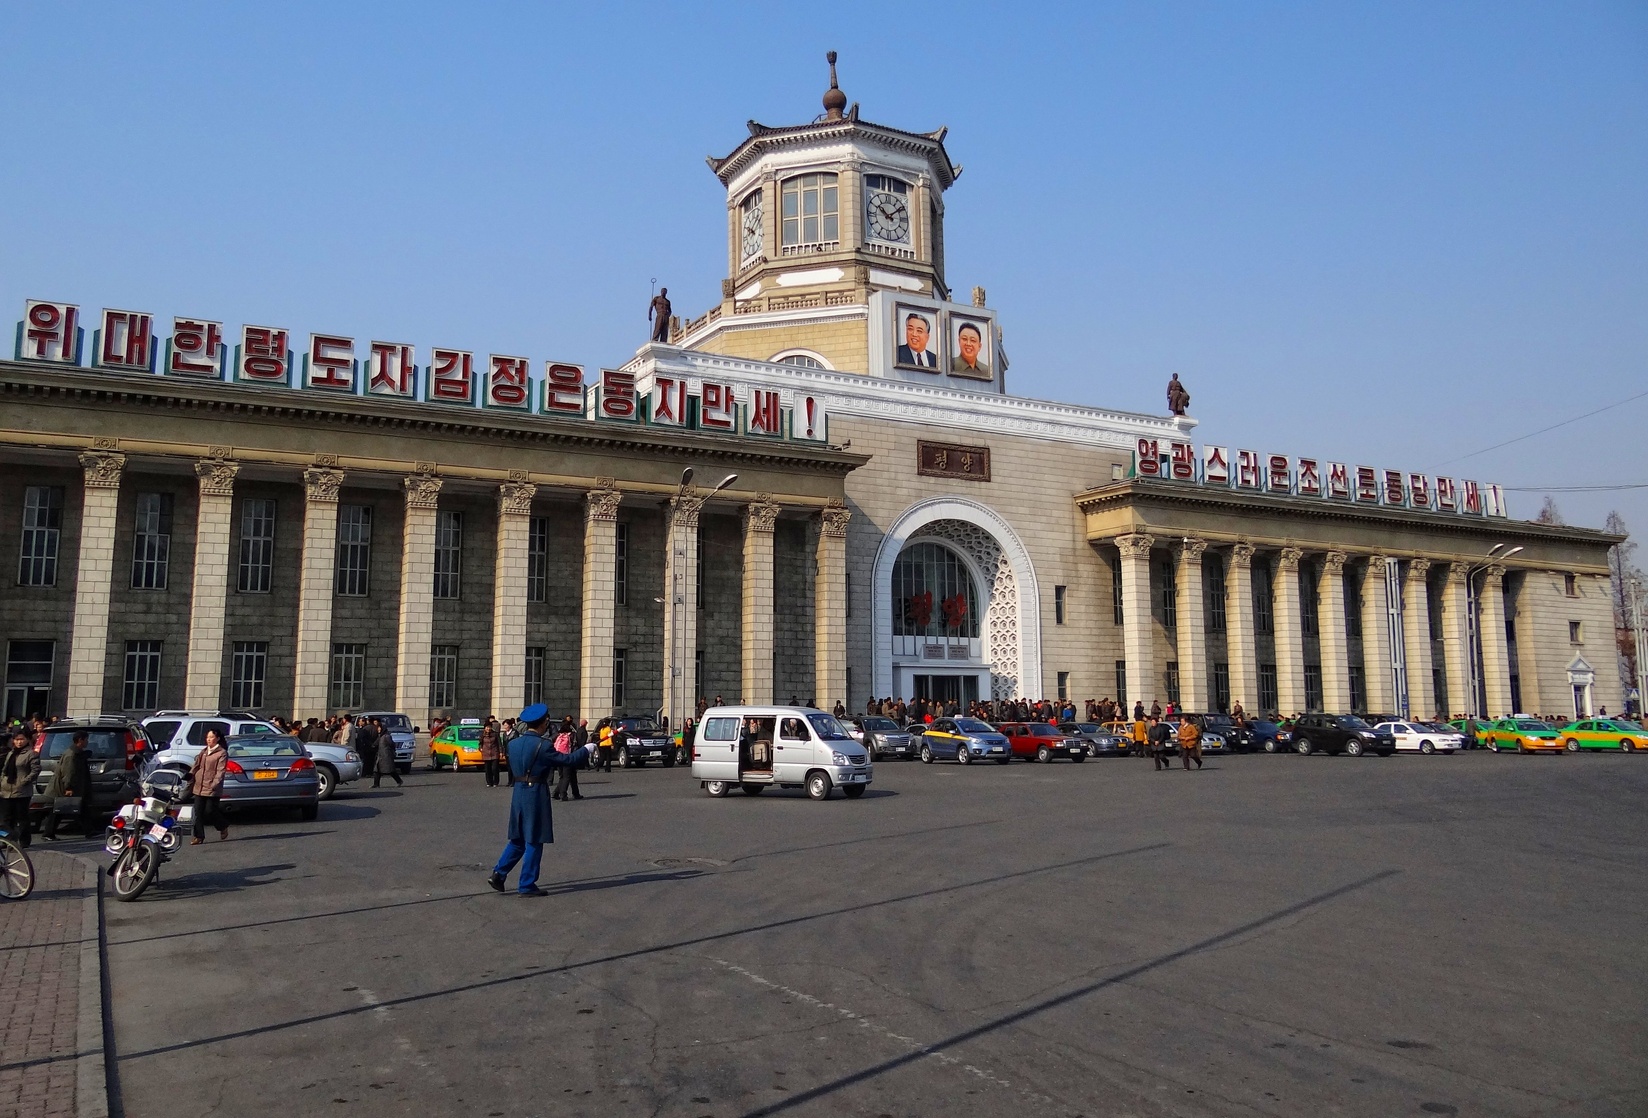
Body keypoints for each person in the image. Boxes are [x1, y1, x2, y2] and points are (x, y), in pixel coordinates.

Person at [488, 704, 590, 897]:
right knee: (535, 839)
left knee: (517, 838)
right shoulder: (543, 745)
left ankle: (498, 874)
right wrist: (586, 749)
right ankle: (526, 884)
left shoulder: (514, 744)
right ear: (544, 723)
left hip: (518, 791)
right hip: (535, 792)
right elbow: (567, 761)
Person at [42, 731, 95, 840]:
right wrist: (68, 787)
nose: (87, 742)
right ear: (80, 740)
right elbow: (68, 773)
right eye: (86, 739)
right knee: (59, 810)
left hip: (74, 787)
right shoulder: (71, 755)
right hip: (64, 787)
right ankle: (48, 833)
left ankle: (89, 831)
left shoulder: (76, 752)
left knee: (79, 808)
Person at [190, 729, 230, 844]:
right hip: (199, 785)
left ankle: (223, 826)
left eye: (211, 737)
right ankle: (199, 836)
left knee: (210, 811)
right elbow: (196, 765)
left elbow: (220, 771)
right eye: (207, 737)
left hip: (212, 786)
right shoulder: (203, 751)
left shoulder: (222, 753)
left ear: (217, 739)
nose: (208, 739)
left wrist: (214, 784)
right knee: (197, 812)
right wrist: (190, 775)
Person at [1, 729, 40, 847]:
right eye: (17, 739)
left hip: (22, 791)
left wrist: (24, 781)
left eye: (21, 739)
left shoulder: (31, 754)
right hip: (7, 790)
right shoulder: (11, 753)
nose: (19, 742)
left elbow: (36, 770)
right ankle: (7, 841)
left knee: (22, 818)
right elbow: (4, 770)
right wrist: (2, 781)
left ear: (27, 740)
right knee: (7, 818)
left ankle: (24, 841)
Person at [552, 717, 582, 801]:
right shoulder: (571, 735)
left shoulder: (558, 735)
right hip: (568, 757)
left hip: (558, 757)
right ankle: (563, 794)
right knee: (567, 777)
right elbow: (576, 746)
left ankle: (557, 793)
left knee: (563, 776)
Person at [372, 717, 403, 787]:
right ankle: (376, 784)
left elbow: (392, 744)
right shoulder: (380, 736)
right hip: (380, 756)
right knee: (377, 770)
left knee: (390, 770)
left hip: (386, 756)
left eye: (379, 727)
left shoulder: (386, 736)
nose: (378, 729)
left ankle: (399, 781)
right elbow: (375, 744)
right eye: (378, 728)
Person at [479, 722, 503, 788]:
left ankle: (495, 782)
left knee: (495, 768)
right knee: (487, 769)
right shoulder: (482, 735)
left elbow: (499, 743)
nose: (488, 728)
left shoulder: (495, 734)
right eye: (487, 727)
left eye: (489, 727)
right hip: (486, 753)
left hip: (494, 753)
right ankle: (489, 782)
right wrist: (480, 748)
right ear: (484, 728)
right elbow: (480, 743)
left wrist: (501, 752)